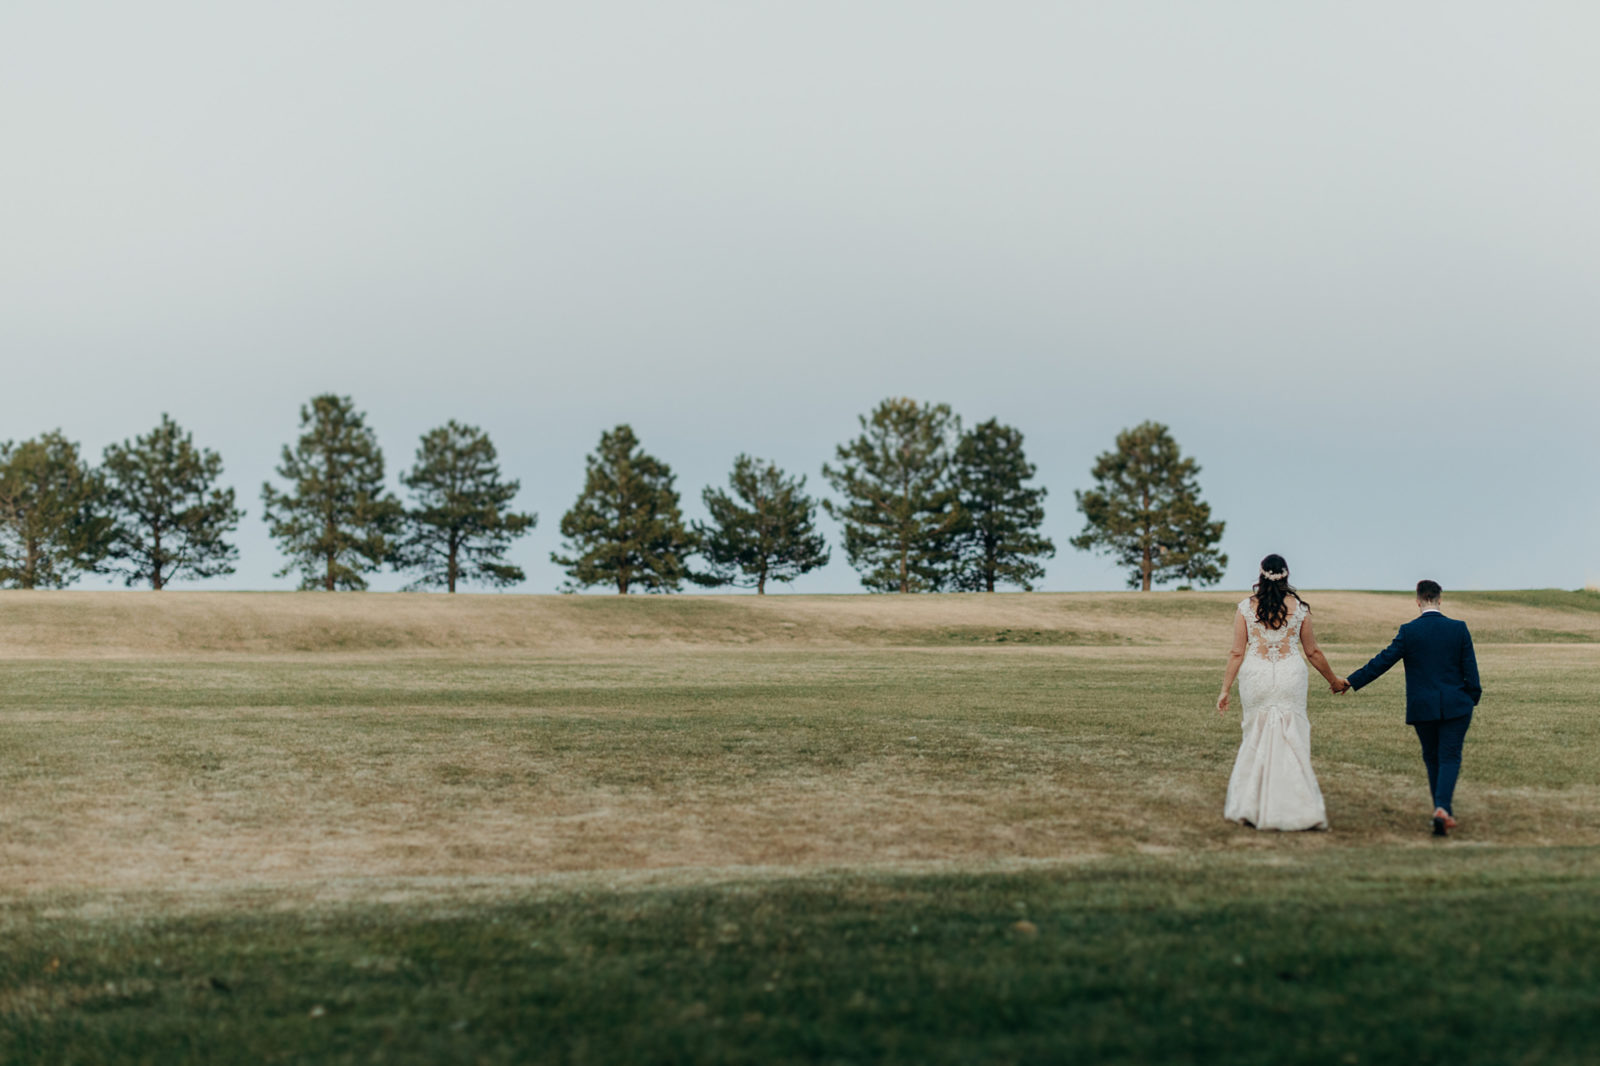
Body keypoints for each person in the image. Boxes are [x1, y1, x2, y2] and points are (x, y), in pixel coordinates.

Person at [1338, 579, 1481, 837]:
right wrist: (1472, 698)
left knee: (1431, 758)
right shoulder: (1459, 628)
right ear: (1440, 599)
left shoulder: (1409, 631)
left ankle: (1441, 809)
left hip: (1422, 706)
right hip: (1456, 705)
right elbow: (1471, 671)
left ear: (1417, 601)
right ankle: (1442, 809)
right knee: (1449, 757)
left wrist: (1351, 680)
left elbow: (1382, 661)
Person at [1216, 554, 1347, 831]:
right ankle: (1297, 806)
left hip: (1257, 675)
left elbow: (1237, 652)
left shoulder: (1245, 608)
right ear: (1286, 576)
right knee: (1291, 736)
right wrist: (1333, 680)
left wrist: (1225, 689)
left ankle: (1251, 806)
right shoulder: (1299, 608)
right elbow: (1312, 651)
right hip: (1290, 674)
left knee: (1256, 733)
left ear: (1261, 576)